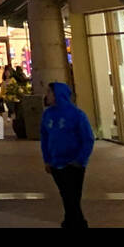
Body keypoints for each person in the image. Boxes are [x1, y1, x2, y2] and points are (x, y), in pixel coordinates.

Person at [40, 82, 95, 229]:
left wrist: (80, 160)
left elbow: (88, 139)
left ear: (58, 94)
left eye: (50, 92)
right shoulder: (47, 115)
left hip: (73, 164)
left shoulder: (77, 115)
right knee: (67, 197)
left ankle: (74, 223)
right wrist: (47, 159)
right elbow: (44, 138)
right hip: (56, 163)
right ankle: (74, 223)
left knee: (71, 197)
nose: (48, 95)